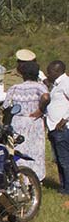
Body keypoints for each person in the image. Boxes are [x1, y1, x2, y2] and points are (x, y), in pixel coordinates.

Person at [3, 60, 50, 182]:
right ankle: (35, 178)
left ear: (23, 74)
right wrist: (40, 110)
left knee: (20, 150)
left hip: (18, 121)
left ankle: (21, 177)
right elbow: (46, 97)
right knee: (35, 150)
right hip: (33, 121)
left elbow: (6, 106)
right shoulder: (40, 86)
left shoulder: (15, 88)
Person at [44, 60, 69, 197]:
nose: (48, 74)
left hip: (62, 128)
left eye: (50, 71)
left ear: (58, 71)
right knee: (59, 159)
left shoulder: (66, 83)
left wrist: (64, 119)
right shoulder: (56, 85)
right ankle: (63, 185)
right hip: (53, 127)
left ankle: (67, 188)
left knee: (65, 160)